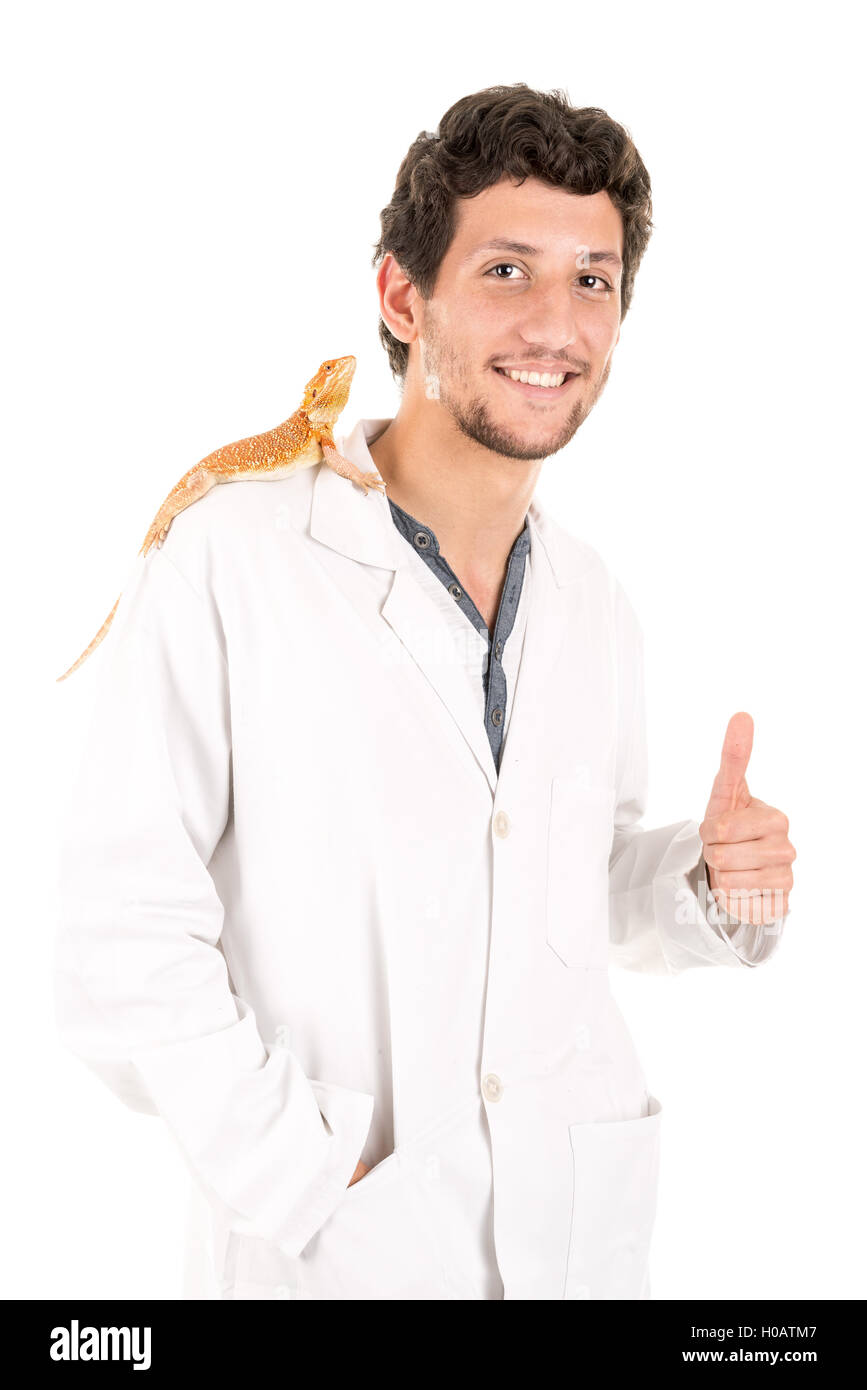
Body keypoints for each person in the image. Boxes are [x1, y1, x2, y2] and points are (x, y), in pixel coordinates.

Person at [54, 83, 796, 1301]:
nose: (557, 323)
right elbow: (117, 938)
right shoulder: (233, 556)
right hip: (339, 1251)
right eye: (507, 271)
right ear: (404, 296)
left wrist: (705, 881)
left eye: (593, 279)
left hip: (573, 1249)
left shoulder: (593, 600)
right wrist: (309, 1172)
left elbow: (564, 885)